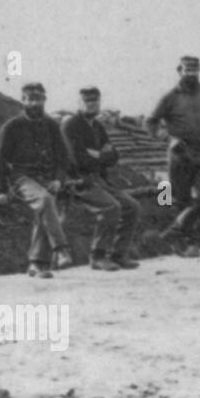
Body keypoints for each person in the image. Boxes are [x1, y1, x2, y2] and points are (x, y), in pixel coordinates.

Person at [146, 56, 200, 257]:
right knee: (180, 199)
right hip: (179, 154)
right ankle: (184, 243)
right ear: (179, 71)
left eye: (194, 70)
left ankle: (173, 232)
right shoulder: (170, 97)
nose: (191, 74)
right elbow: (150, 122)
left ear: (199, 71)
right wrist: (168, 139)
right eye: (187, 70)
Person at [0, 82, 75, 278]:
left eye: (38, 98)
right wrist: (1, 190)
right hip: (21, 178)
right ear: (23, 100)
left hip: (46, 178)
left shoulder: (52, 125)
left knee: (44, 209)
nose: (35, 103)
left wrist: (59, 179)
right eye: (30, 99)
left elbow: (63, 156)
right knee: (45, 200)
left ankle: (36, 264)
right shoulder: (12, 127)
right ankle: (61, 249)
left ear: (44, 100)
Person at [60, 86, 141, 270]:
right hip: (78, 182)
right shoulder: (70, 125)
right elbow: (78, 160)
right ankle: (97, 256)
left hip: (99, 179)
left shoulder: (97, 126)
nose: (92, 104)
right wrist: (101, 155)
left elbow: (114, 156)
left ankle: (118, 255)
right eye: (87, 101)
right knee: (111, 207)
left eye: (95, 101)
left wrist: (97, 155)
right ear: (79, 103)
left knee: (132, 207)